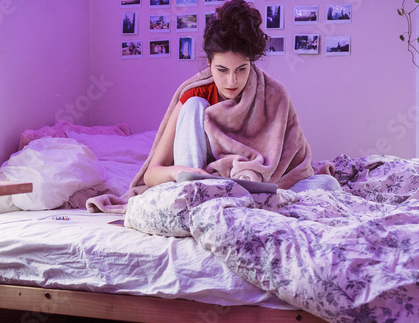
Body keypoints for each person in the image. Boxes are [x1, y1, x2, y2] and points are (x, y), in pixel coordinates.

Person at [142, 0, 339, 192]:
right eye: (222, 70)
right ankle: (192, 192)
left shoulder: (273, 95)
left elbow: (293, 164)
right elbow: (151, 175)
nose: (232, 81)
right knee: (193, 104)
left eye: (241, 69)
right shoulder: (195, 96)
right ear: (209, 63)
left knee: (328, 185)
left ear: (251, 63)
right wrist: (179, 172)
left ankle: (244, 197)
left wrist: (251, 175)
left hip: (259, 184)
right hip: (207, 185)